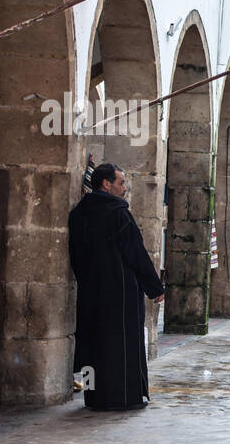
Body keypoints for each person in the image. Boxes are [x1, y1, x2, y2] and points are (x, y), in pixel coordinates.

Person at [68, 163, 165, 412]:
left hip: (91, 290)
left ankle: (93, 397)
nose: (125, 188)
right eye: (121, 182)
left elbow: (75, 254)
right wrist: (154, 287)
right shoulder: (118, 213)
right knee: (122, 345)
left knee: (92, 343)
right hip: (119, 291)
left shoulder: (79, 213)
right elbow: (135, 253)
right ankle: (124, 397)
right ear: (106, 184)